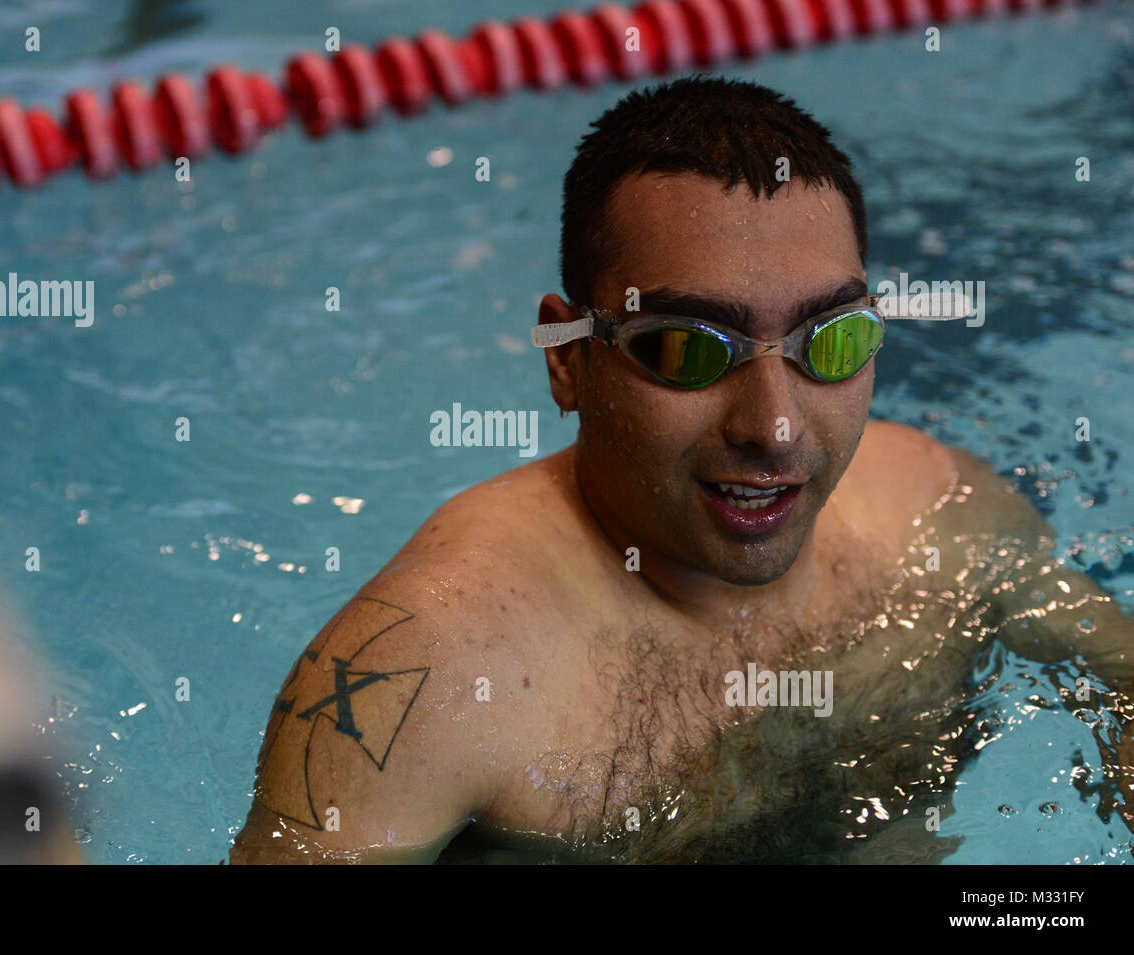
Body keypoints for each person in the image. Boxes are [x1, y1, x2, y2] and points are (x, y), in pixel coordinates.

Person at [230, 76, 1134, 864]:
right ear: (566, 358)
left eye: (836, 340)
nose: (775, 427)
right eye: (686, 349)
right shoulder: (427, 681)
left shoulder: (942, 510)